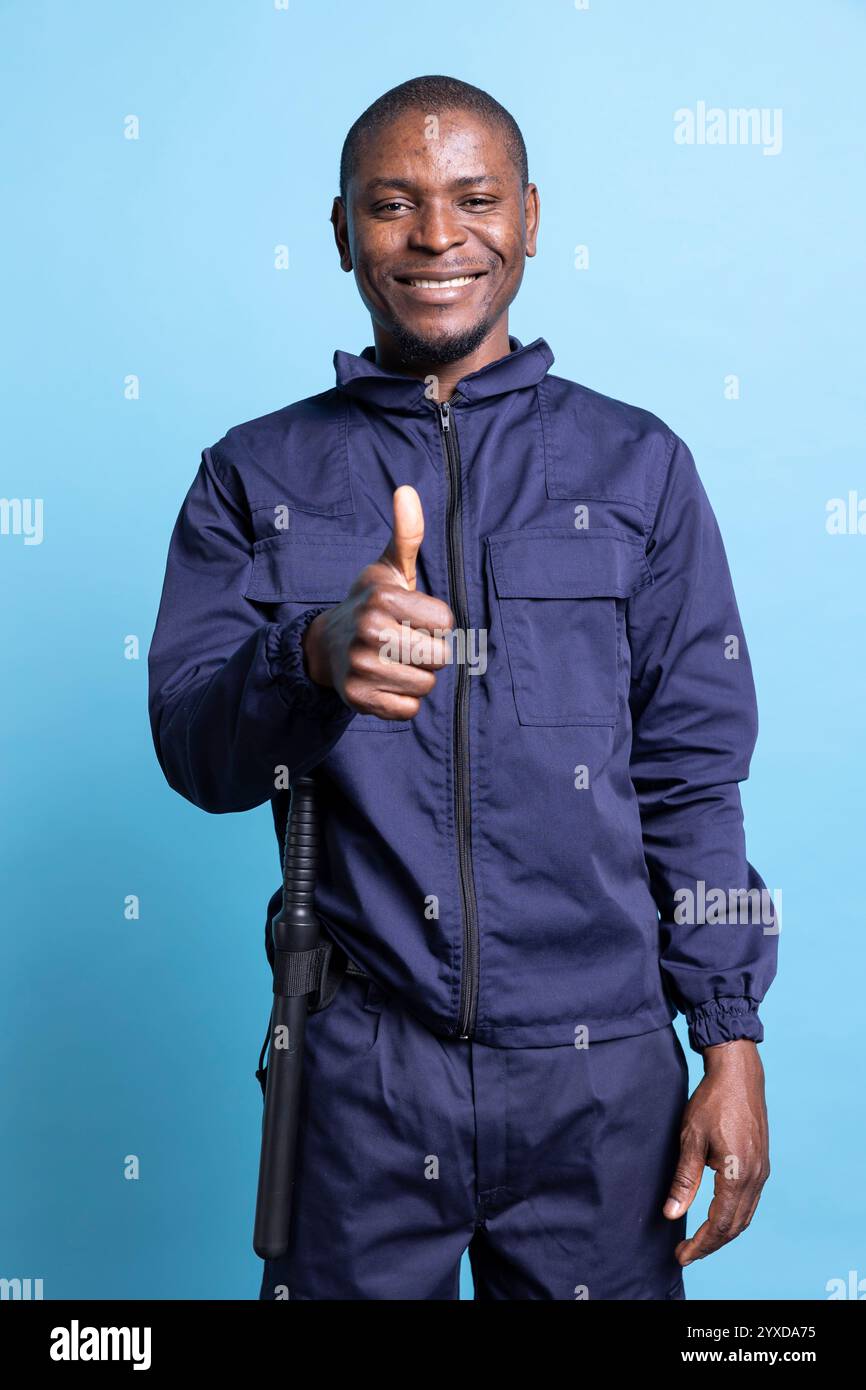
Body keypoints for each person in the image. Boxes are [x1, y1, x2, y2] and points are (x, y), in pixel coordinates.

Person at [147, 75, 778, 1301]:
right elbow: (193, 750)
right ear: (341, 232)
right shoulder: (252, 474)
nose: (437, 236)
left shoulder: (638, 466)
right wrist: (312, 657)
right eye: (392, 203)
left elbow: (696, 777)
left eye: (472, 198)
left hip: (599, 1079)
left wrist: (731, 1035)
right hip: (360, 1076)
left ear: (530, 218)